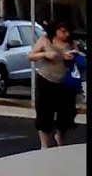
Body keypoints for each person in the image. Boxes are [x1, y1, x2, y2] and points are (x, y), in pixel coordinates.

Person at [29, 20, 80, 148]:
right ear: (55, 30)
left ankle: (60, 135)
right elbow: (30, 56)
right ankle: (44, 144)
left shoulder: (71, 42)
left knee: (67, 113)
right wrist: (45, 54)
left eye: (68, 31)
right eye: (63, 31)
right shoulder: (45, 40)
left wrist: (73, 57)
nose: (66, 34)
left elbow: (78, 56)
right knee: (44, 113)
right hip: (46, 79)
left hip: (65, 82)